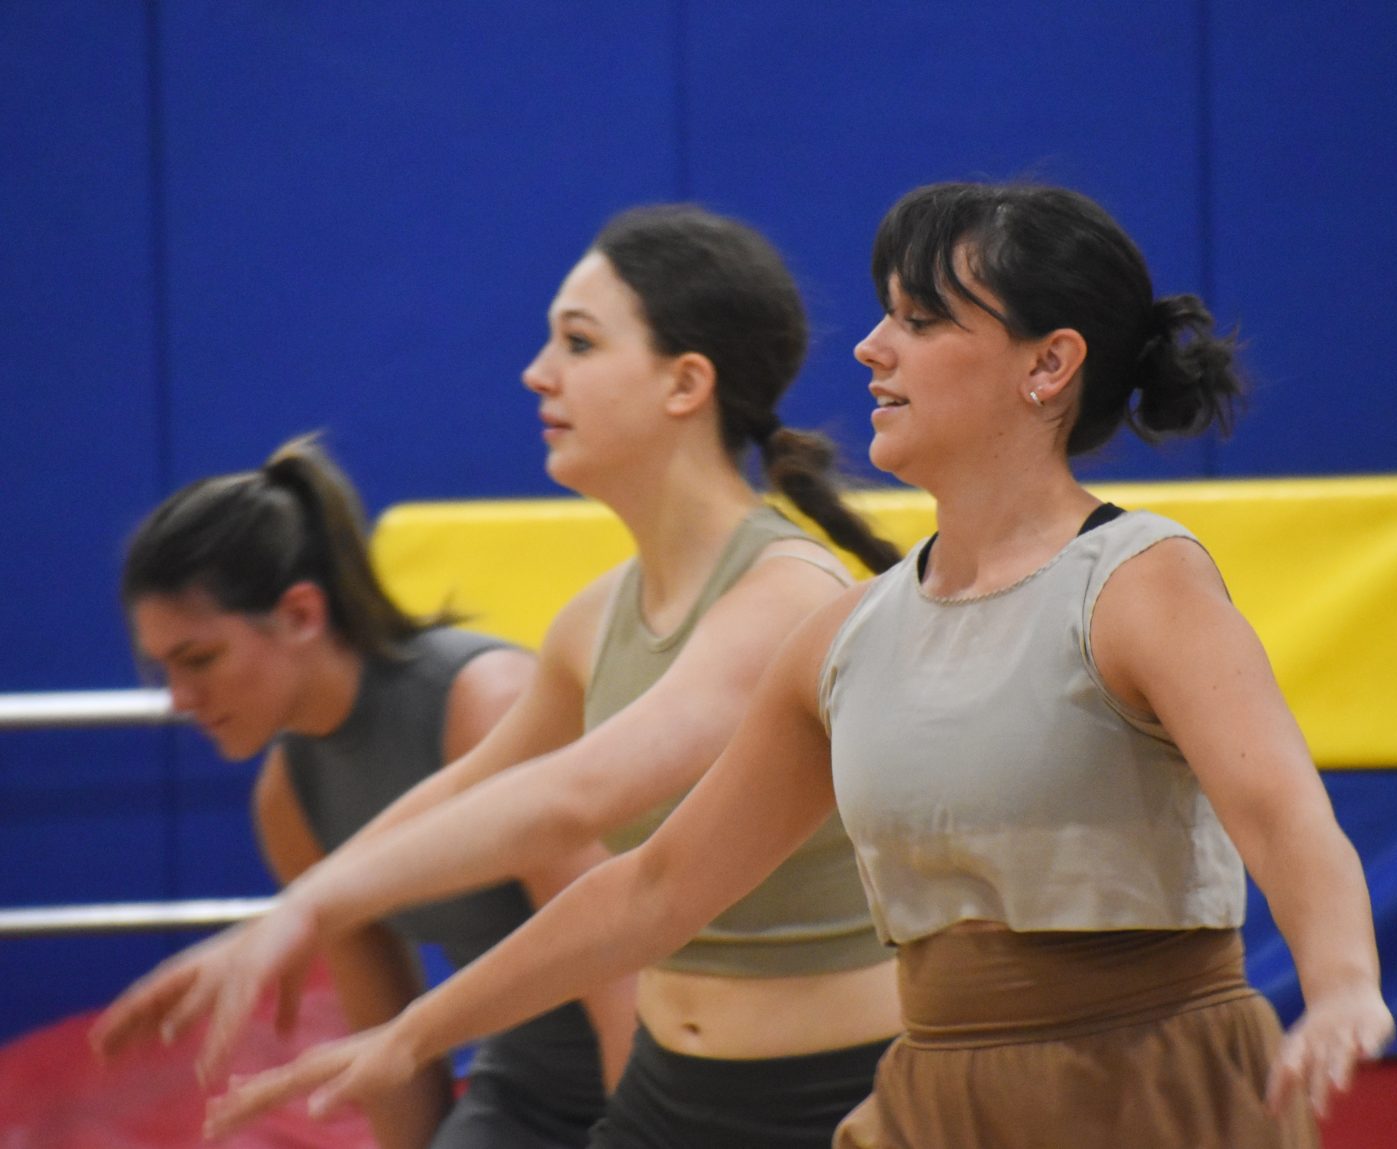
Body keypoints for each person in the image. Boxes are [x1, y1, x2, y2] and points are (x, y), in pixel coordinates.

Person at [189, 182, 1395, 1148]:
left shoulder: (1140, 580)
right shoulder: (849, 634)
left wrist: (1342, 981)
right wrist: (415, 1035)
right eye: (881, 316)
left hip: (1147, 1087)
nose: (870, 348)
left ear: (1048, 365)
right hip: (931, 1092)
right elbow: (654, 889)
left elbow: (1284, 816)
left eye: (919, 321)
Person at [94, 206, 905, 1148]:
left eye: (579, 342)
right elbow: (468, 790)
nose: (537, 371)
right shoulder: (593, 618)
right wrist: (296, 912)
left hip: (831, 1097)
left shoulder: (785, 592)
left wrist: (326, 914)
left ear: (686, 382)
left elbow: (574, 798)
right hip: (669, 1093)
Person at [118, 434, 635, 1149]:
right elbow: (390, 1052)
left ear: (301, 614)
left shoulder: (483, 702)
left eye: (199, 658)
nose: (179, 698)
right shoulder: (288, 797)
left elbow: (622, 965)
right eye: (162, 670)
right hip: (526, 1091)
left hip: (659, 1068)